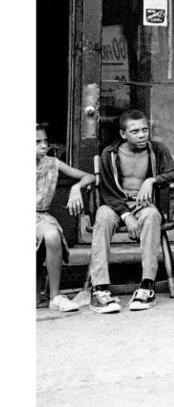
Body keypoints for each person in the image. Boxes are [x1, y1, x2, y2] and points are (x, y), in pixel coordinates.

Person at [88, 108, 174, 312]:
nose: (141, 135)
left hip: (144, 205)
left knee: (151, 216)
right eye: (135, 131)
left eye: (145, 130)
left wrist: (152, 180)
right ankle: (99, 289)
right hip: (116, 203)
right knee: (102, 216)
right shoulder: (110, 154)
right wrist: (127, 215)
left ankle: (147, 286)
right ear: (123, 134)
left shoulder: (157, 150)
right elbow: (106, 191)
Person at [36, 124, 89, 312]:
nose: (43, 146)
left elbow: (88, 177)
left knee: (52, 235)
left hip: (39, 216)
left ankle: (55, 296)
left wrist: (76, 188)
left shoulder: (52, 164)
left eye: (45, 141)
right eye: (37, 142)